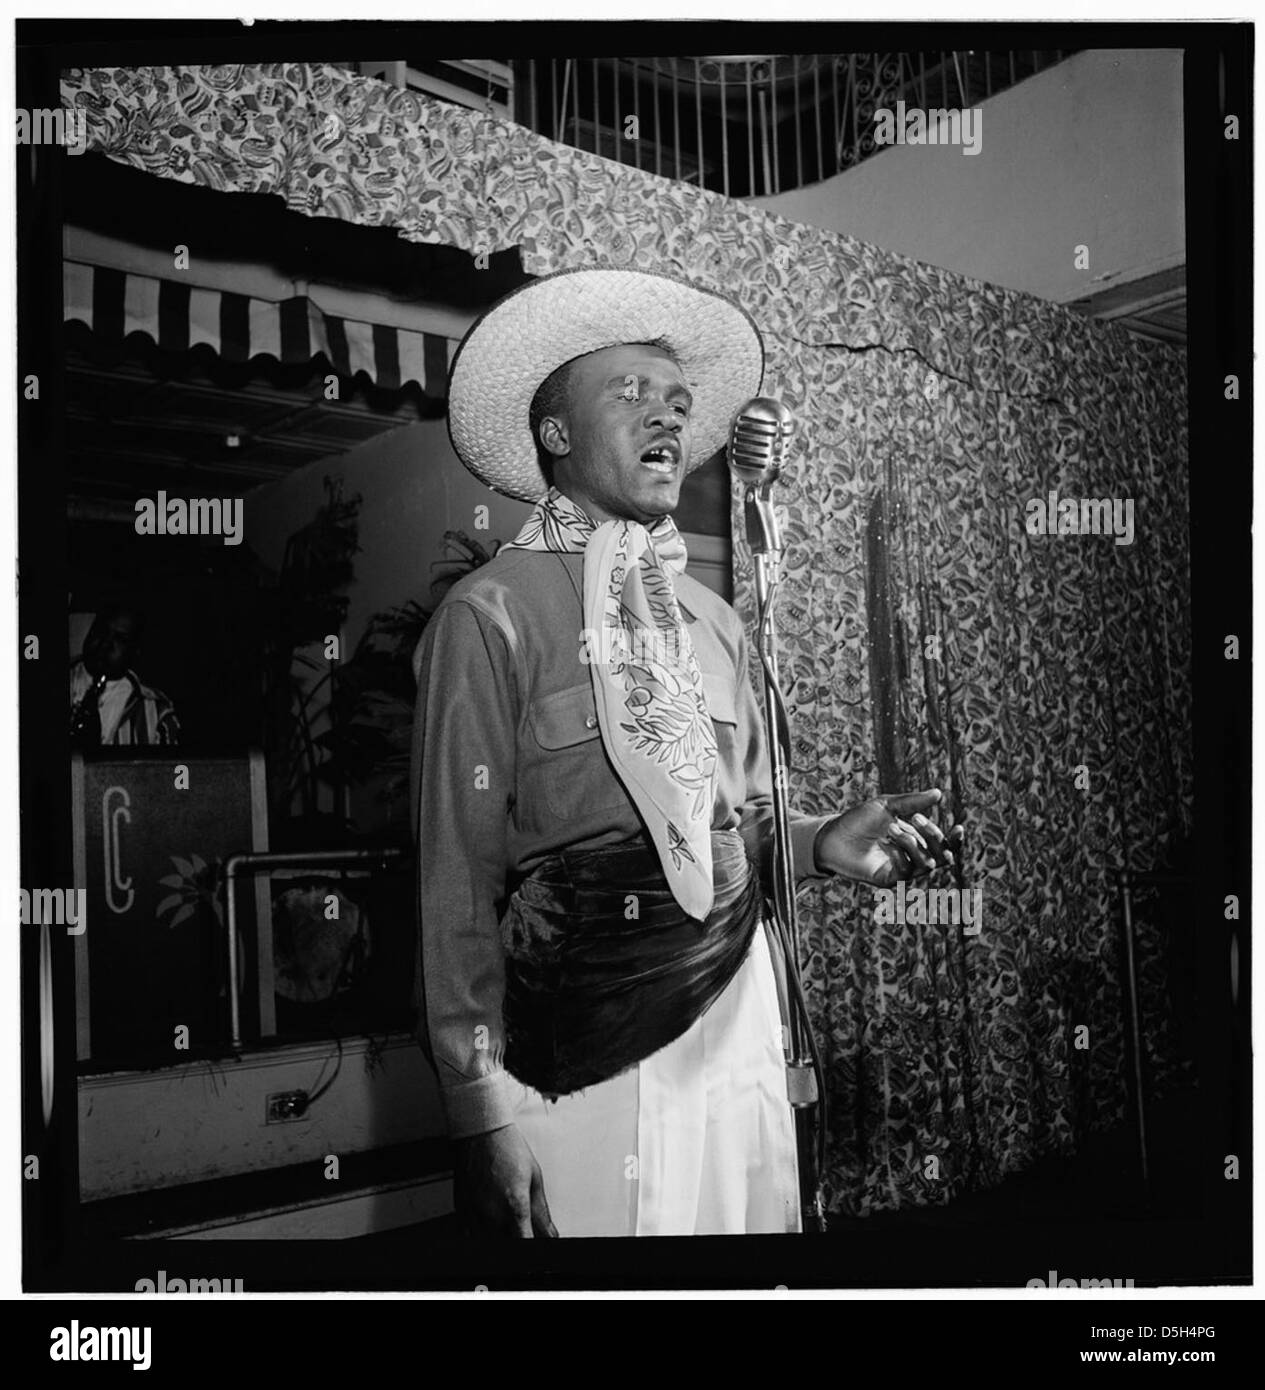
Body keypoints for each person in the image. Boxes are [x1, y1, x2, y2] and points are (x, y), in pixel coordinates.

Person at [411, 266, 961, 1238]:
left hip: (737, 1014)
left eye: (675, 399)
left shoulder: (712, 622)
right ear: (554, 433)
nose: (664, 415)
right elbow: (455, 874)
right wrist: (477, 1106)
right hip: (582, 1042)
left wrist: (817, 840)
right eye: (628, 394)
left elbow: (727, 830)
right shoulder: (488, 613)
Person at [69, 602, 180, 747]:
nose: (106, 644)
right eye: (101, 631)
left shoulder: (158, 711)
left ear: (135, 651)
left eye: (120, 639)